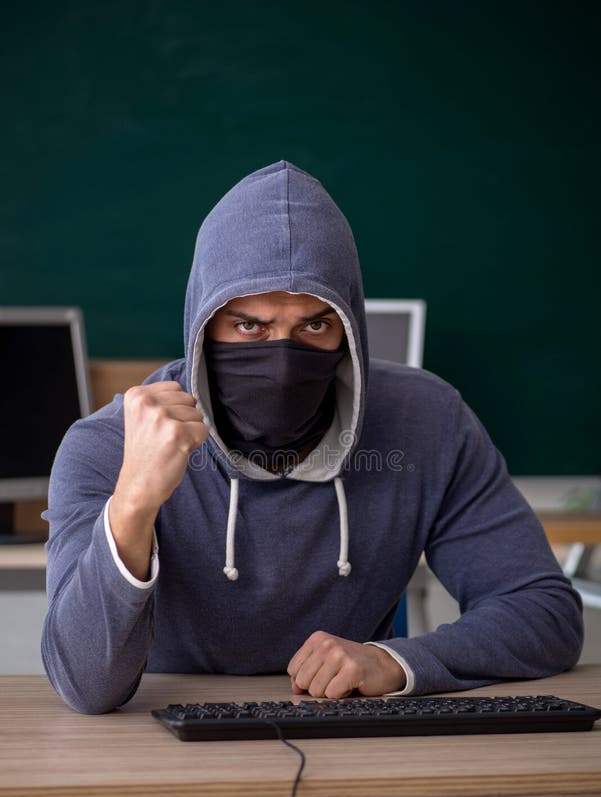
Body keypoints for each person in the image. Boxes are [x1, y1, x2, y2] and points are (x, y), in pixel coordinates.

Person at [42, 160, 583, 714]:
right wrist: (133, 502)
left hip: (346, 726)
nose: (282, 362)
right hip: (157, 736)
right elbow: (86, 685)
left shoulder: (428, 422)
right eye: (249, 326)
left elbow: (543, 612)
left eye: (315, 325)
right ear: (202, 325)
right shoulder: (108, 444)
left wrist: (395, 662)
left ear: (350, 329)